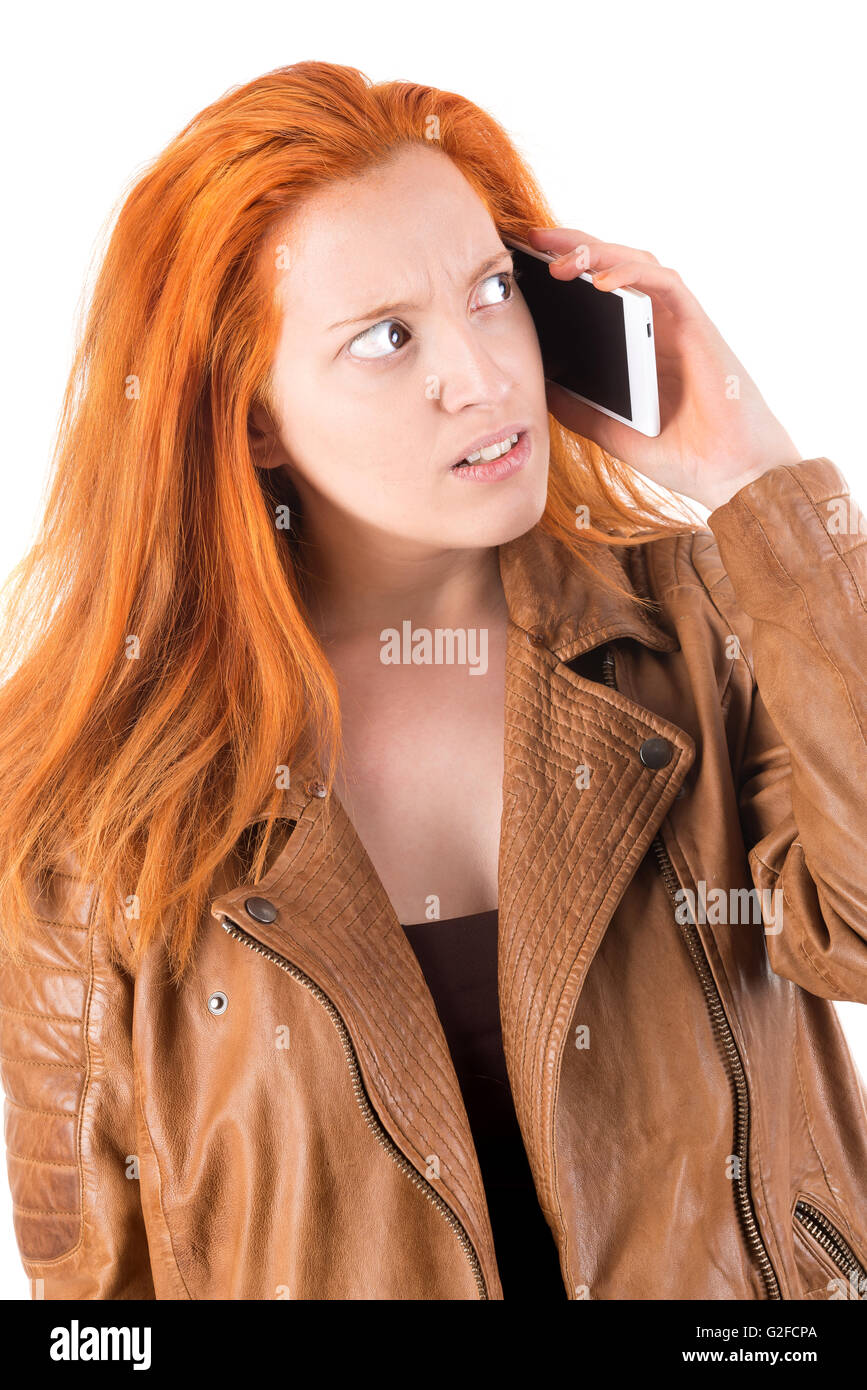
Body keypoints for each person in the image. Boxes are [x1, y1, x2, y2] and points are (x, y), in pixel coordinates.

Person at [0, 60, 865, 1301]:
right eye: (387, 337)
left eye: (491, 291)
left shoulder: (711, 621)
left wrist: (761, 487)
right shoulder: (91, 812)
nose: (481, 372)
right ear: (250, 418)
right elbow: (96, 1300)